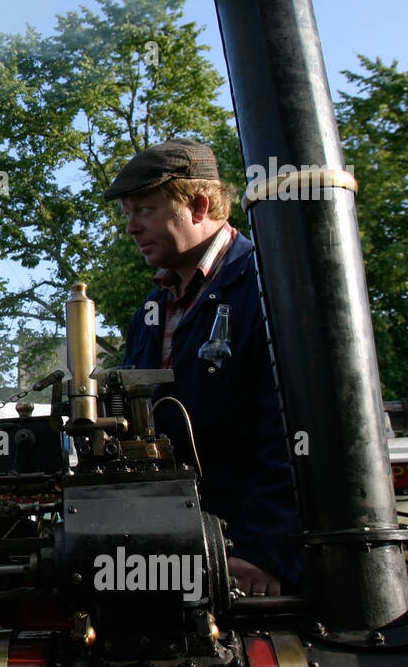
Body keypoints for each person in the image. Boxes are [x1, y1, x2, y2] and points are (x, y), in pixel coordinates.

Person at [106, 138, 300, 596]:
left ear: (198, 205)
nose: (132, 228)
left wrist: (261, 549)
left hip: (250, 563)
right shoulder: (151, 312)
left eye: (144, 211)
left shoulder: (266, 284)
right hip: (187, 553)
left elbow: (292, 431)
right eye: (128, 214)